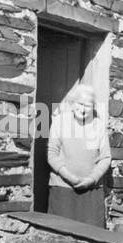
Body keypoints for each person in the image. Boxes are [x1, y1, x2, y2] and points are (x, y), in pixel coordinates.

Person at [46, 84, 110, 226]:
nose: (82, 109)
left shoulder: (98, 125)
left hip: (91, 192)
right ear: (73, 103)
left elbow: (105, 157)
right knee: (60, 234)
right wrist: (69, 177)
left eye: (87, 105)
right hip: (63, 189)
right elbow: (52, 154)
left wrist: (92, 179)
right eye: (80, 104)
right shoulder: (59, 122)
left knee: (92, 237)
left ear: (93, 107)